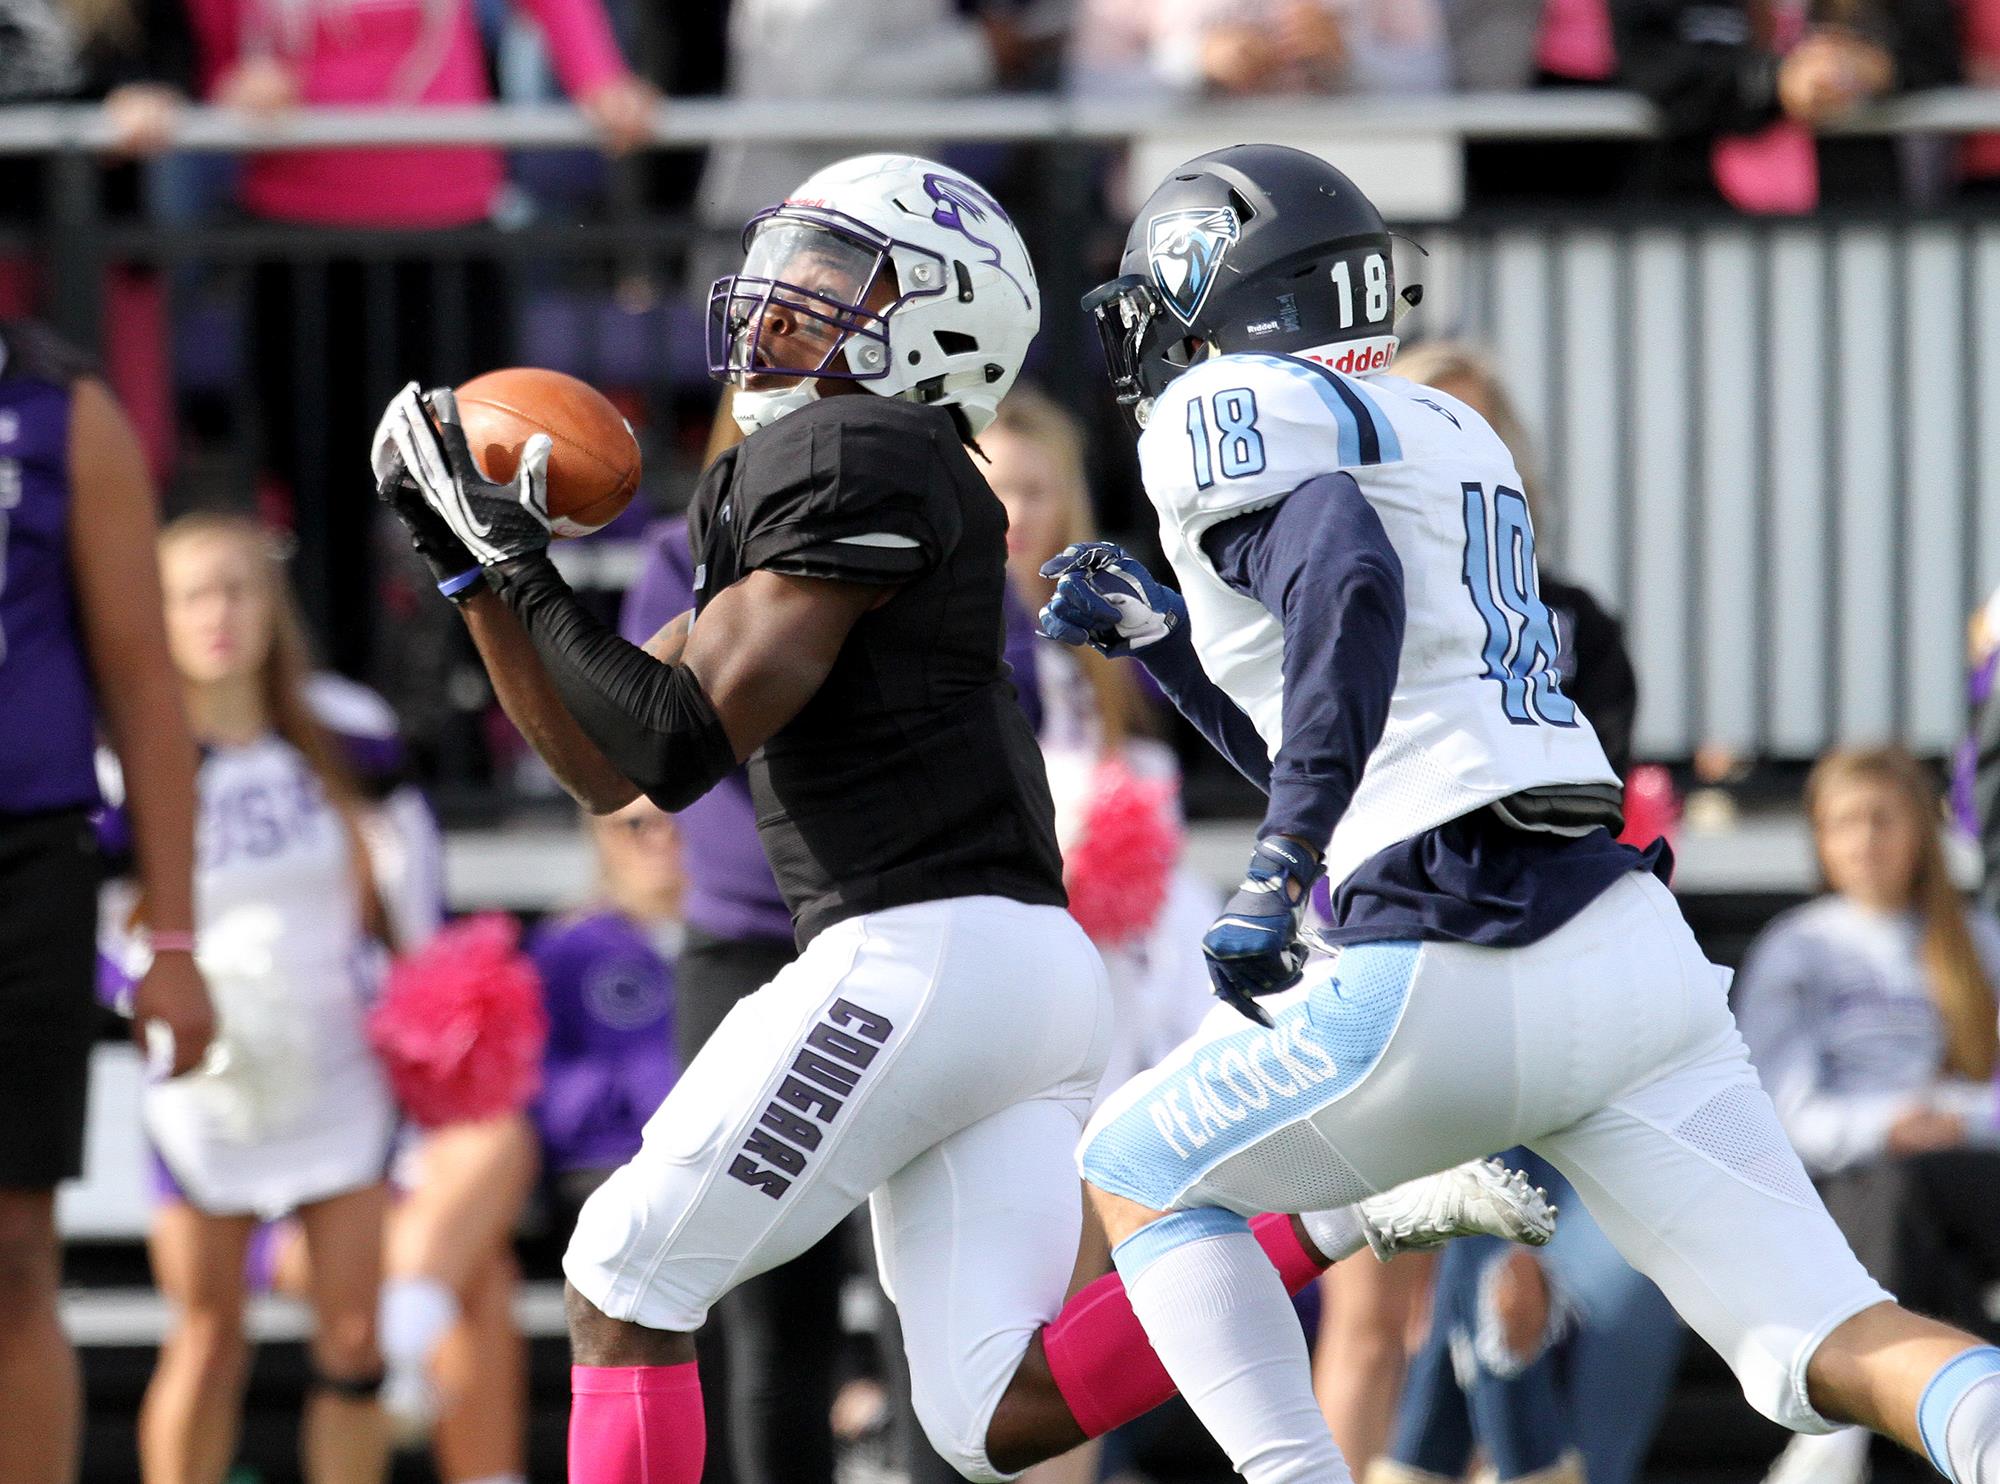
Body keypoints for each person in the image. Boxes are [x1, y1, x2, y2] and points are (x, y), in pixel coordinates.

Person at [371, 150, 1554, 1484]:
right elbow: (612, 766)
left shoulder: (857, 444)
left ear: (935, 314)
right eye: (784, 266)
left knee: (623, 1273)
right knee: (990, 1418)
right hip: (1010, 975)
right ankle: (1331, 1219)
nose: (776, 300)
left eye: (828, 278)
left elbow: (677, 738)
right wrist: (475, 572)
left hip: (921, 952)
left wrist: (515, 562)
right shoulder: (853, 457)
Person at [1051, 142, 2000, 1484]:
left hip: (1449, 947)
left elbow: (1347, 589)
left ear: (1220, 296)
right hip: (1625, 951)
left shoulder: (1233, 409)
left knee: (1135, 1161)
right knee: (1825, 1340)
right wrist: (1163, 642)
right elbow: (1347, 701)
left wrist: (1280, 863)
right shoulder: (1449, 427)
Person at [1368, 341, 1682, 1484]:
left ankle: (1480, 1459)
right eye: (1420, 427)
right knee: (1400, 1295)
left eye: (1474, 432)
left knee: (1518, 1247)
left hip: (1540, 959)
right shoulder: (1349, 593)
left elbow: (1584, 794)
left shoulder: (1574, 620)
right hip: (1388, 966)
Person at [176, 0, 655, 675]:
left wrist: (598, 77)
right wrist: (223, 84)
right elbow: (197, 37)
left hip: (447, 237)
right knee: (321, 502)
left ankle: (485, 712)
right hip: (294, 239)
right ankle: (342, 714)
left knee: (479, 488)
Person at [0, 320, 214, 1484]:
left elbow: (143, 682)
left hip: (26, 856)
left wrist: (172, 938)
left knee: (16, 1249)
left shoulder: (63, 415)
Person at [137, 512, 393, 1484]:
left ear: (271, 604)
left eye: (239, 588)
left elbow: (409, 895)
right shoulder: (128, 759)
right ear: (154, 613)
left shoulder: (349, 732)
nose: (219, 614)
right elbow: (104, 929)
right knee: (207, 1334)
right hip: (205, 1079)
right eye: (193, 592)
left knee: (355, 1338)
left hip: (341, 1060)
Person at [1738, 746, 2000, 1484]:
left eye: (1883, 820)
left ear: (1920, 831)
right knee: (1900, 1206)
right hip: (1848, 1183)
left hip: (1965, 1168)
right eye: (1844, 823)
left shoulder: (1976, 942)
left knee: (1910, 1191)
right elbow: (1780, 1114)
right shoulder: (1799, 947)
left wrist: (1947, 1120)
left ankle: (1841, 1426)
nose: (1866, 841)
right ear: (1819, 839)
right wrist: (1889, 1127)